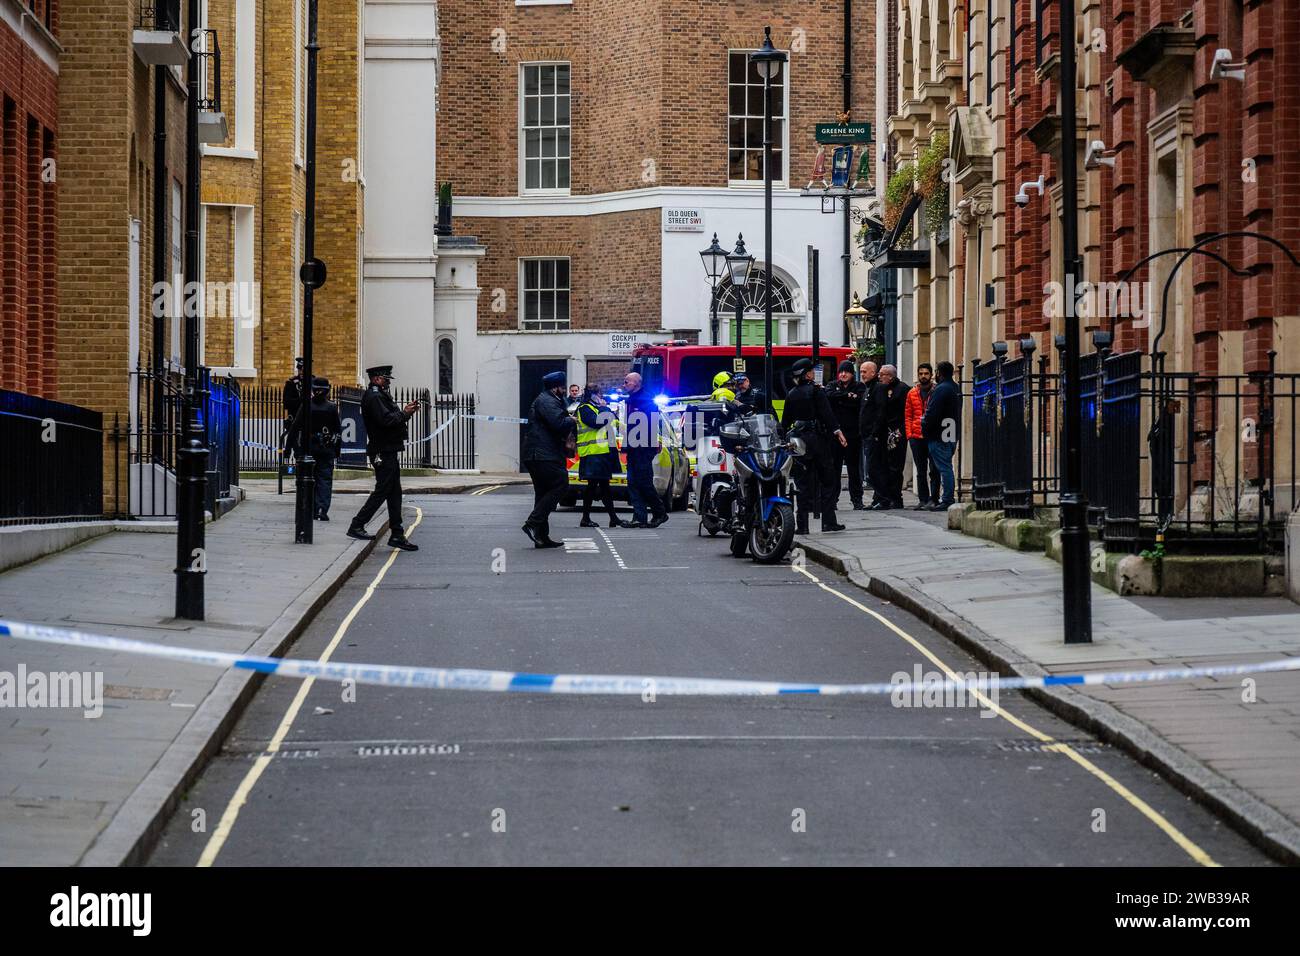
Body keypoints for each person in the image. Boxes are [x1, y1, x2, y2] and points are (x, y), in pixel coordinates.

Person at [347, 365, 420, 550]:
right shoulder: (375, 396)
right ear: (377, 378)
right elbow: (386, 421)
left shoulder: (379, 395)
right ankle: (357, 524)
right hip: (382, 450)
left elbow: (391, 418)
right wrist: (404, 413)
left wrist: (405, 413)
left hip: (388, 449)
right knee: (383, 491)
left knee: (394, 493)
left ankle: (397, 534)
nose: (388, 382)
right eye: (386, 379)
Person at [782, 357, 848, 533]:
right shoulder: (817, 392)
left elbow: (785, 422)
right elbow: (827, 414)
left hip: (798, 441)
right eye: (811, 371)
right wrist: (838, 432)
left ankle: (802, 525)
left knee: (802, 483)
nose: (813, 373)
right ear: (807, 374)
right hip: (817, 440)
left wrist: (783, 440)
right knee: (828, 480)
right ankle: (828, 521)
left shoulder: (791, 394)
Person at [521, 370, 576, 548]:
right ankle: (532, 523)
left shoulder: (550, 399)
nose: (565, 391)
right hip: (543, 454)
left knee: (543, 492)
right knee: (561, 484)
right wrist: (571, 420)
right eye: (563, 387)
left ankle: (541, 537)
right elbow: (558, 423)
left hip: (540, 453)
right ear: (556, 388)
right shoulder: (547, 401)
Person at [286, 377, 343, 521]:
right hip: (326, 449)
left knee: (308, 480)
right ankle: (321, 510)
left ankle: (309, 509)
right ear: (327, 391)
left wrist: (288, 449)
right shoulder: (331, 407)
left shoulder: (306, 406)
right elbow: (337, 430)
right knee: (324, 480)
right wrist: (337, 451)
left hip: (308, 449)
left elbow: (294, 428)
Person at [622, 371, 669, 528]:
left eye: (627, 382)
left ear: (636, 383)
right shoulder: (632, 400)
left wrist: (653, 442)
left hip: (643, 447)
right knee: (633, 483)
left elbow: (652, 423)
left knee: (643, 482)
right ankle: (639, 517)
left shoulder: (645, 399)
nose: (624, 384)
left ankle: (659, 512)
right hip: (634, 447)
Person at [575, 385, 625, 528]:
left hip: (601, 453)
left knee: (604, 486)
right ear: (592, 395)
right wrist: (604, 408)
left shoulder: (595, 408)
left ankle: (612, 518)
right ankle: (587, 518)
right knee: (594, 487)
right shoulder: (584, 408)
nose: (601, 397)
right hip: (592, 453)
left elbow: (612, 420)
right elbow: (597, 422)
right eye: (599, 394)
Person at [863, 364, 910, 510]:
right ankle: (881, 497)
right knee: (882, 467)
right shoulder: (880, 388)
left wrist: (901, 430)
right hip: (884, 432)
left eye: (882, 374)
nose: (879, 376)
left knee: (895, 468)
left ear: (890, 376)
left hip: (896, 432)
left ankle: (895, 498)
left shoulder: (902, 389)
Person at [825, 360, 866, 510]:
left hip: (853, 434)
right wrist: (847, 396)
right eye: (841, 371)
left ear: (851, 373)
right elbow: (828, 395)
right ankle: (832, 500)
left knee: (854, 469)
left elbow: (859, 401)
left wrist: (841, 398)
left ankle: (857, 499)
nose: (843, 374)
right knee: (834, 468)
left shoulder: (859, 387)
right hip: (835, 434)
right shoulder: (832, 385)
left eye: (846, 371)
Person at [923, 360, 962, 511]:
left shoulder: (941, 389)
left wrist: (925, 424)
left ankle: (947, 499)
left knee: (944, 467)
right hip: (951, 430)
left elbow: (932, 412)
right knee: (946, 465)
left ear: (938, 373)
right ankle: (946, 498)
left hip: (939, 432)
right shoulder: (955, 387)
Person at [904, 362, 941, 510]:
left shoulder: (936, 391)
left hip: (932, 435)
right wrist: (909, 434)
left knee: (934, 469)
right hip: (916, 436)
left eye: (926, 373)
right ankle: (923, 499)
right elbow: (908, 415)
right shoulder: (912, 393)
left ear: (931, 375)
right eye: (921, 374)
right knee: (920, 470)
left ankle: (934, 498)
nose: (923, 376)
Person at [857, 360, 881, 506]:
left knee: (874, 468)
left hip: (873, 436)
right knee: (871, 469)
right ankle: (877, 498)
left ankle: (879, 498)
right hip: (866, 436)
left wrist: (874, 433)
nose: (862, 374)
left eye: (865, 372)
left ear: (873, 372)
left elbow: (879, 412)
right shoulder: (867, 388)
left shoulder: (876, 388)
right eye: (861, 371)